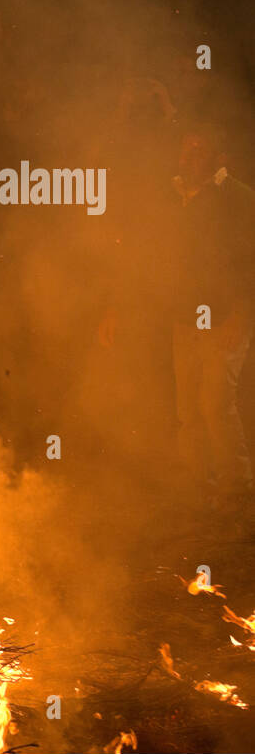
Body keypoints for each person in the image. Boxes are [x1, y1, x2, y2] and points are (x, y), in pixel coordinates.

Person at [170, 125, 255, 510]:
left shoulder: (237, 199)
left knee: (216, 403)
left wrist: (241, 314)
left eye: (199, 151)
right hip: (186, 316)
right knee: (188, 406)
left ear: (219, 159)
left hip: (224, 318)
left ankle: (236, 488)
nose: (189, 159)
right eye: (186, 150)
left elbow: (247, 260)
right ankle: (194, 481)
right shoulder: (176, 196)